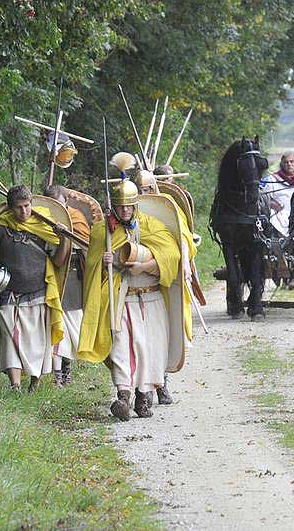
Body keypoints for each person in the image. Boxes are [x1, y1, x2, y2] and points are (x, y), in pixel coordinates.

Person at [78, 180, 181, 421]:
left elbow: (171, 256)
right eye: (120, 206)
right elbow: (92, 270)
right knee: (121, 345)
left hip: (152, 297)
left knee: (149, 348)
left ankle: (143, 398)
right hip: (122, 298)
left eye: (129, 206)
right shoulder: (103, 232)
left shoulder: (152, 225)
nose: (124, 211)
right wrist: (104, 263)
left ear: (136, 205)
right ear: (114, 206)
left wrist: (144, 266)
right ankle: (123, 396)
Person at [0, 185, 70, 392]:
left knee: (37, 341)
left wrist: (63, 238)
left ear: (32, 204)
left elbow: (59, 261)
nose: (24, 211)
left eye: (27, 206)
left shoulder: (44, 226)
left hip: (38, 292)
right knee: (9, 337)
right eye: (18, 207)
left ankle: (35, 381)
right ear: (10, 208)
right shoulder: (0, 228)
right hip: (9, 293)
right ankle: (15, 386)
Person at [133, 169, 196, 405]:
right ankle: (142, 389)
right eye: (140, 189)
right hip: (133, 281)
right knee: (138, 339)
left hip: (166, 277)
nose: (144, 193)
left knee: (163, 334)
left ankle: (162, 382)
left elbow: (183, 238)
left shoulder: (167, 207)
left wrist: (185, 263)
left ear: (155, 188)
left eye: (148, 189)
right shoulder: (126, 211)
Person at [42, 184, 91, 387]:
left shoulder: (76, 218)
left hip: (73, 277)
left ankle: (66, 369)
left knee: (72, 326)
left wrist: (68, 235)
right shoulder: (40, 218)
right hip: (49, 276)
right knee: (55, 323)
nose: (57, 209)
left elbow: (87, 245)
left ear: (66, 202)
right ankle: (57, 373)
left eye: (60, 204)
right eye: (52, 205)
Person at [259, 150, 294, 237]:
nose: (289, 164)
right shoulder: (271, 179)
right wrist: (272, 204)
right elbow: (262, 198)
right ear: (282, 164)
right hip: (277, 218)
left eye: (291, 161)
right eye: (286, 162)